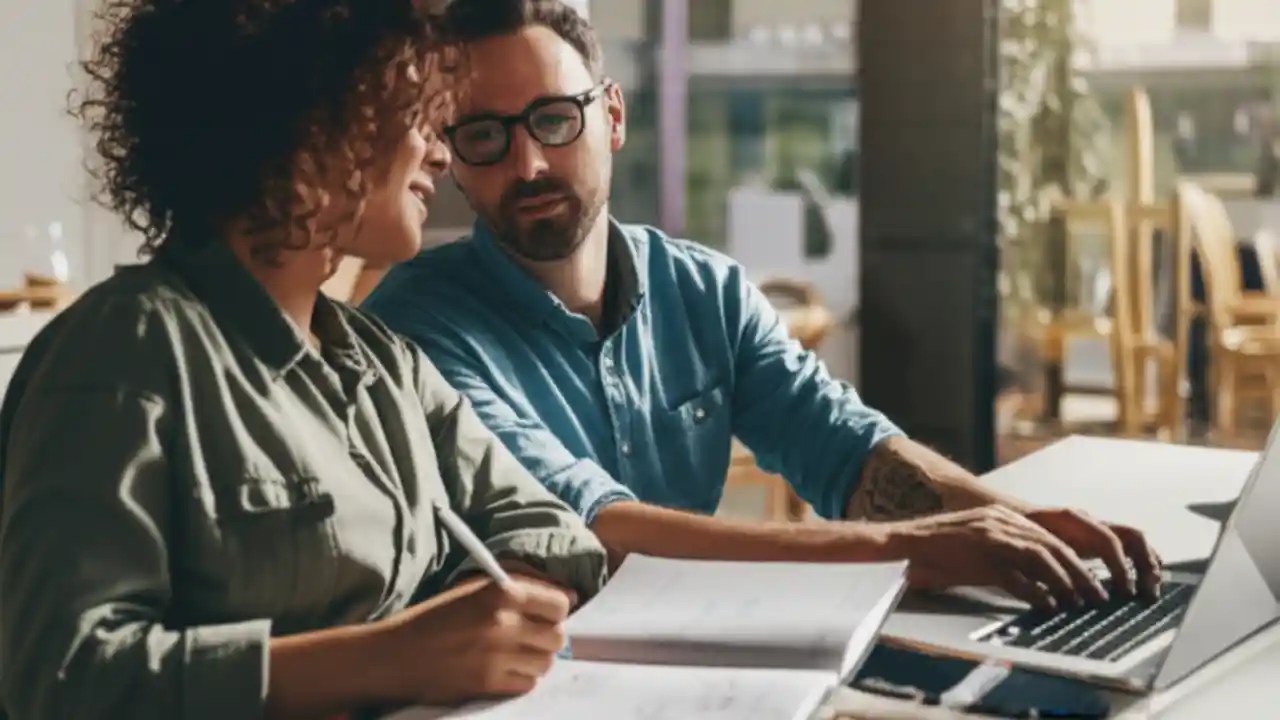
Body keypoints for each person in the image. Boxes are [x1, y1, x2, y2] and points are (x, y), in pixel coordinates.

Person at [364, 0, 1161, 613]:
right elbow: (595, 534)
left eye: (553, 119)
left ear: (611, 116)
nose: (529, 162)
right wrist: (909, 547)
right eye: (485, 137)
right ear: (453, 159)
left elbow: (845, 447)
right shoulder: (415, 330)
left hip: (715, 652)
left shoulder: (704, 291)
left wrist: (1025, 525)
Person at [0, 2, 607, 719]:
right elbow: (60, 678)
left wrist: (484, 622)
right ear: (313, 123)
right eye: (415, 116)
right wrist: (394, 659)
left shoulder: (388, 367)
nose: (441, 154)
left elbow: (554, 530)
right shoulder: (124, 355)